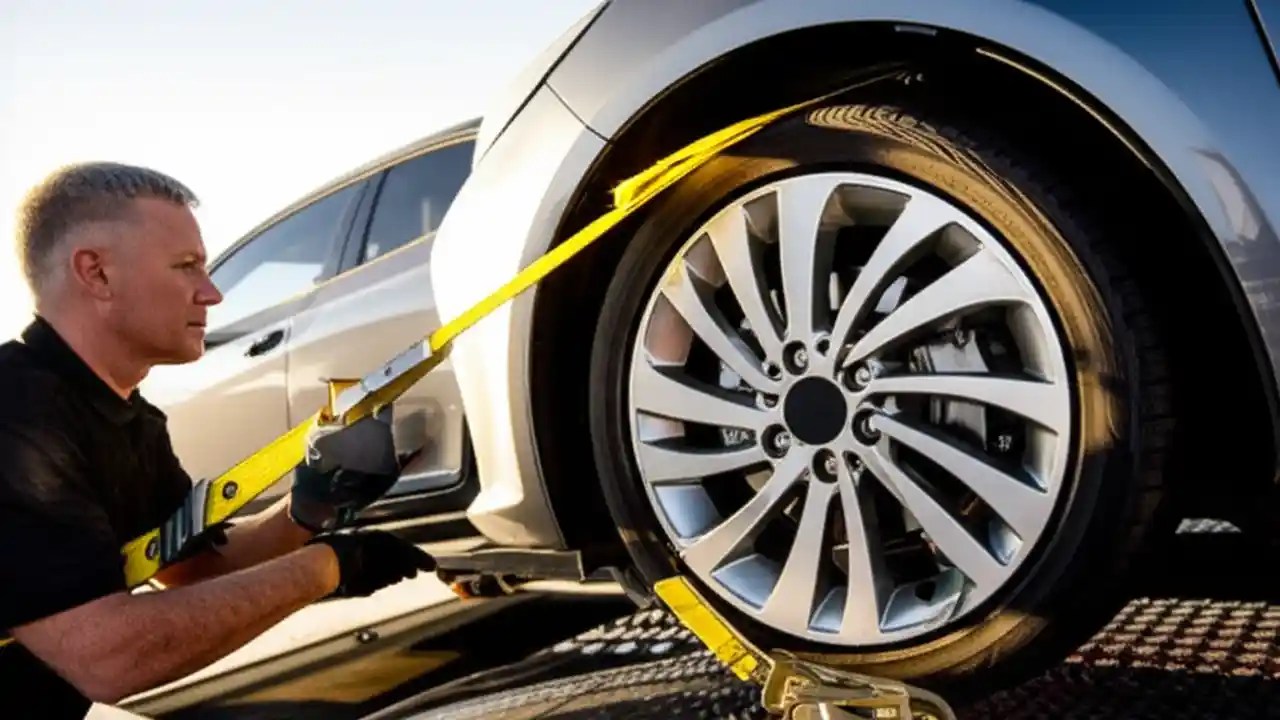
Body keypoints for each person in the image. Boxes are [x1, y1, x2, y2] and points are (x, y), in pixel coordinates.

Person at [0, 162, 436, 718]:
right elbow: (106, 657)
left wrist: (305, 510)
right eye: (186, 267)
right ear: (97, 273)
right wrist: (328, 568)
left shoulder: (127, 420)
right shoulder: (16, 415)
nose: (211, 294)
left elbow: (190, 570)